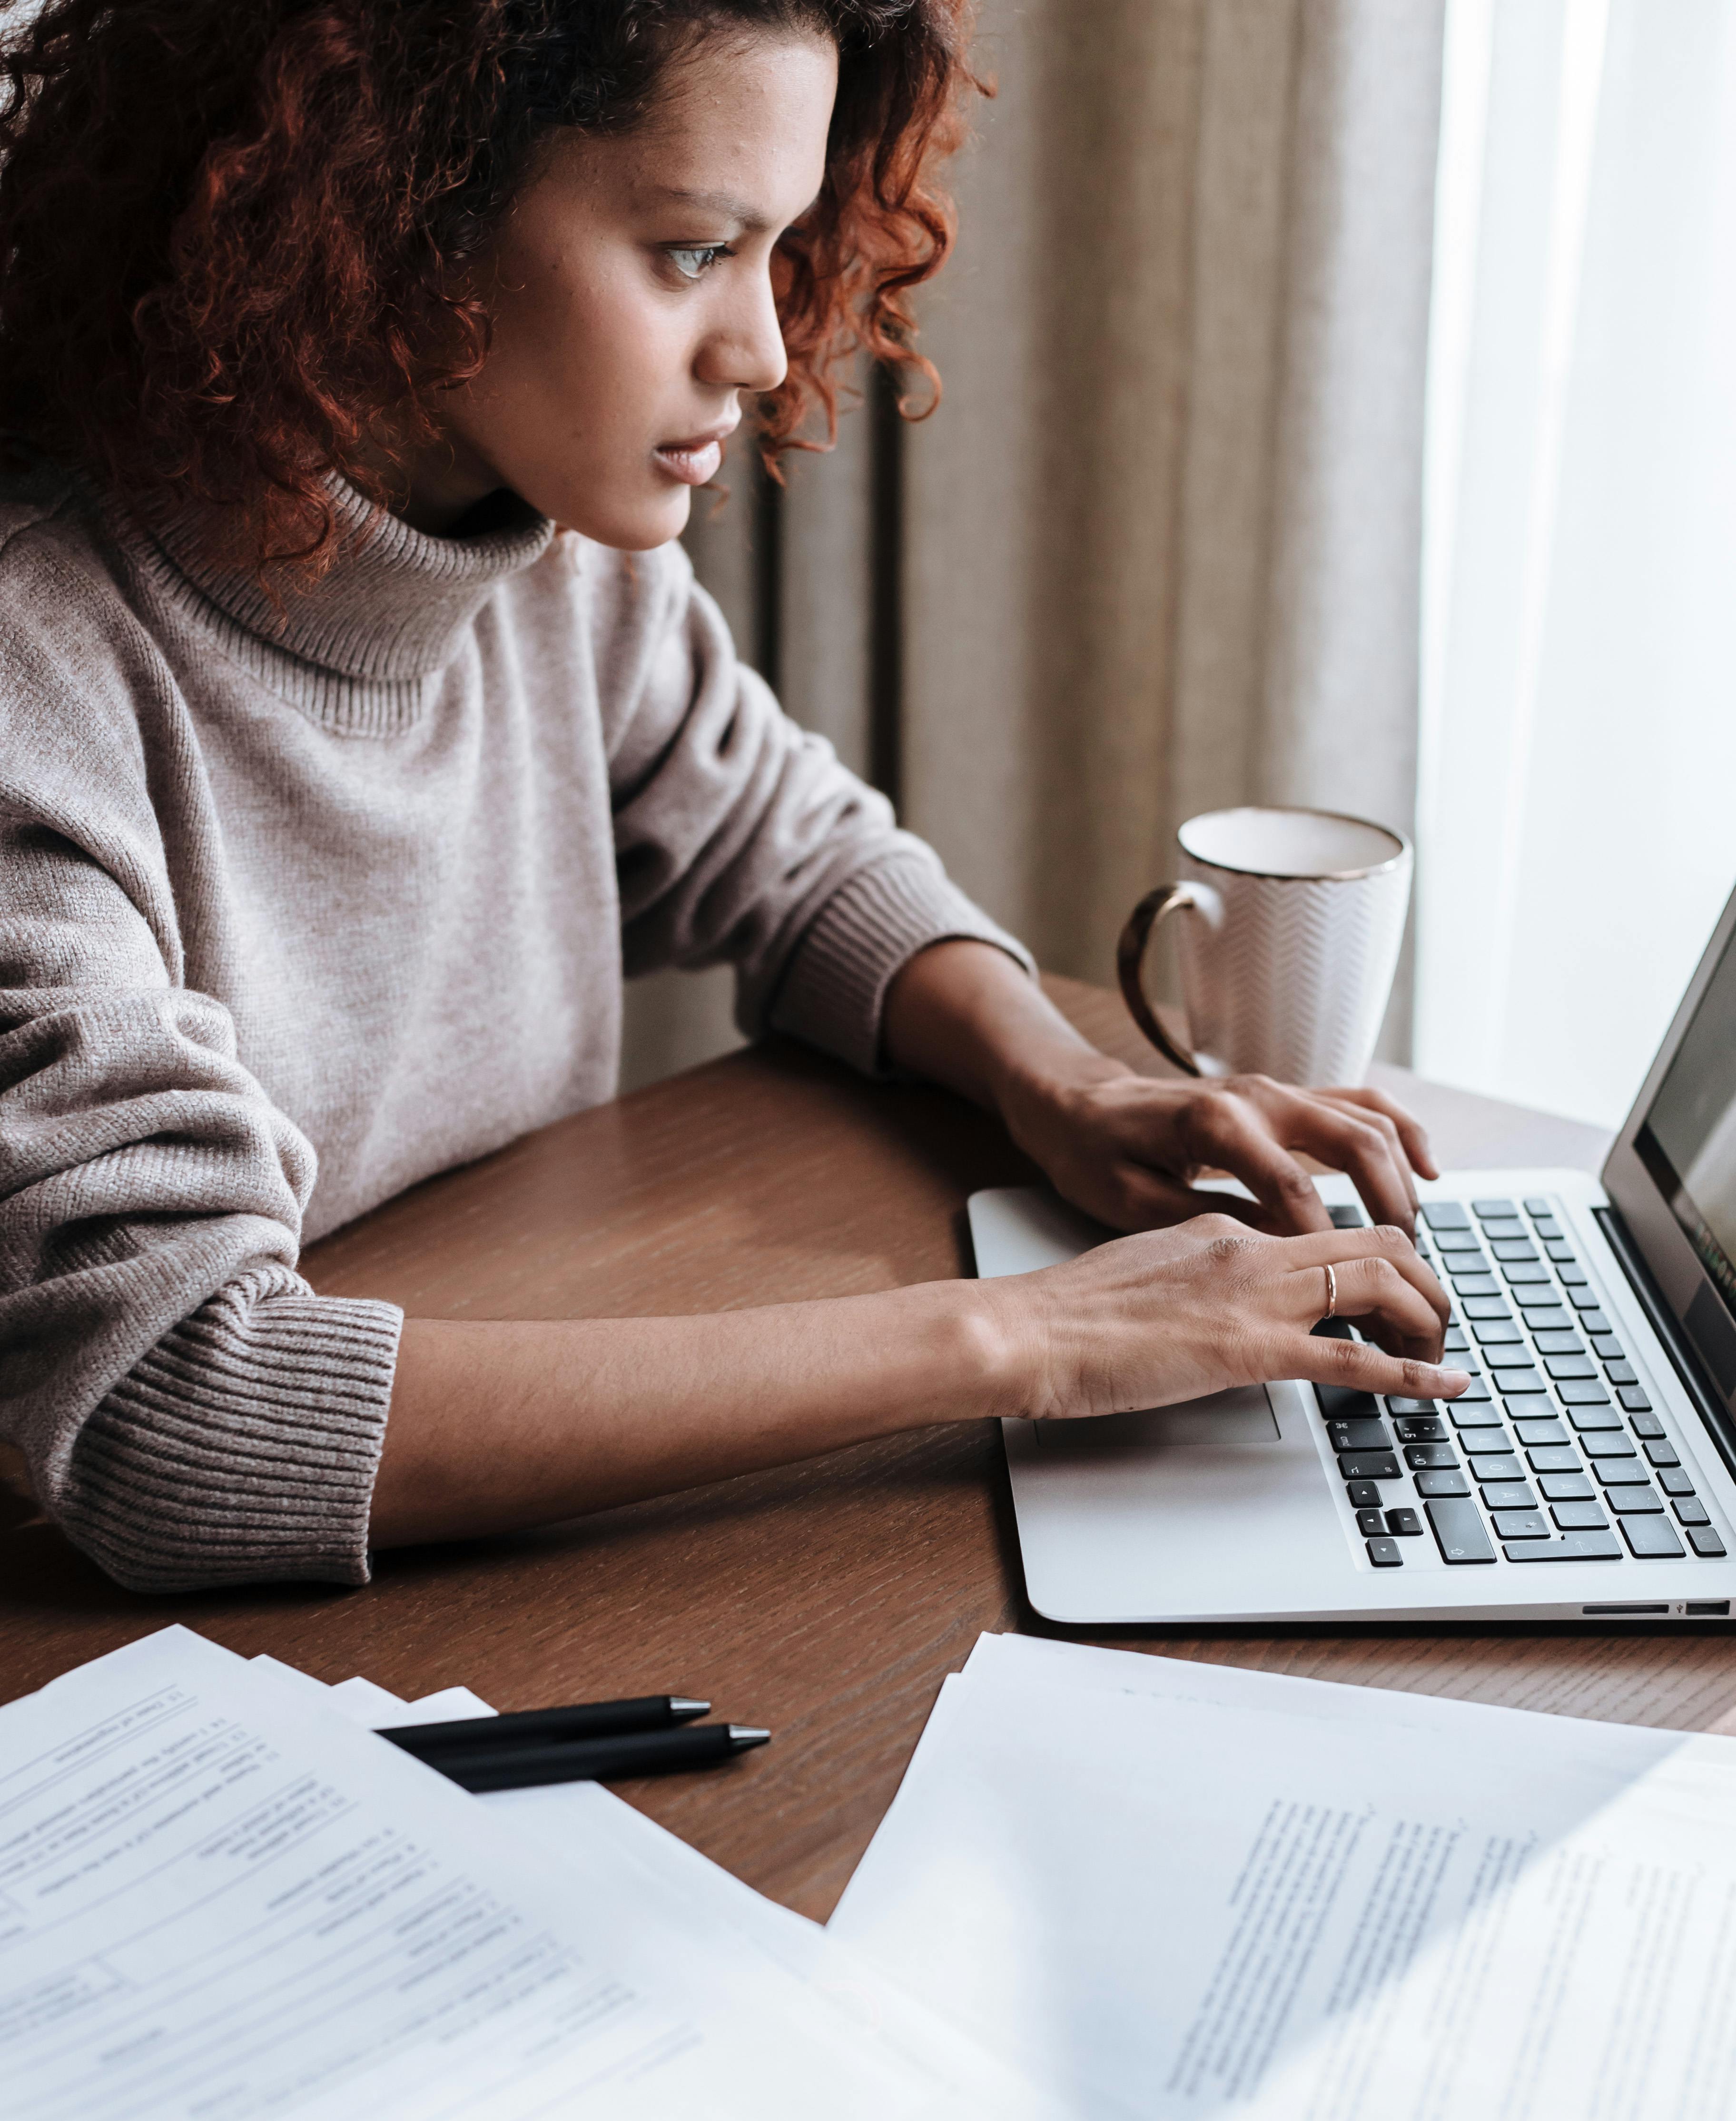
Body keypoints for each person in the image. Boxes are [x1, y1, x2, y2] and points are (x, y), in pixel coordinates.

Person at [0, 0, 1463, 1595]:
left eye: (781, 247)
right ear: (393, 208)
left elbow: (797, 857)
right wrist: (1026, 1337)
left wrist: (1065, 1081)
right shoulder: (42, 671)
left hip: (482, 1558)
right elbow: (180, 1407)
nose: (765, 350)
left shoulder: (545, 558)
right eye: (695, 250)